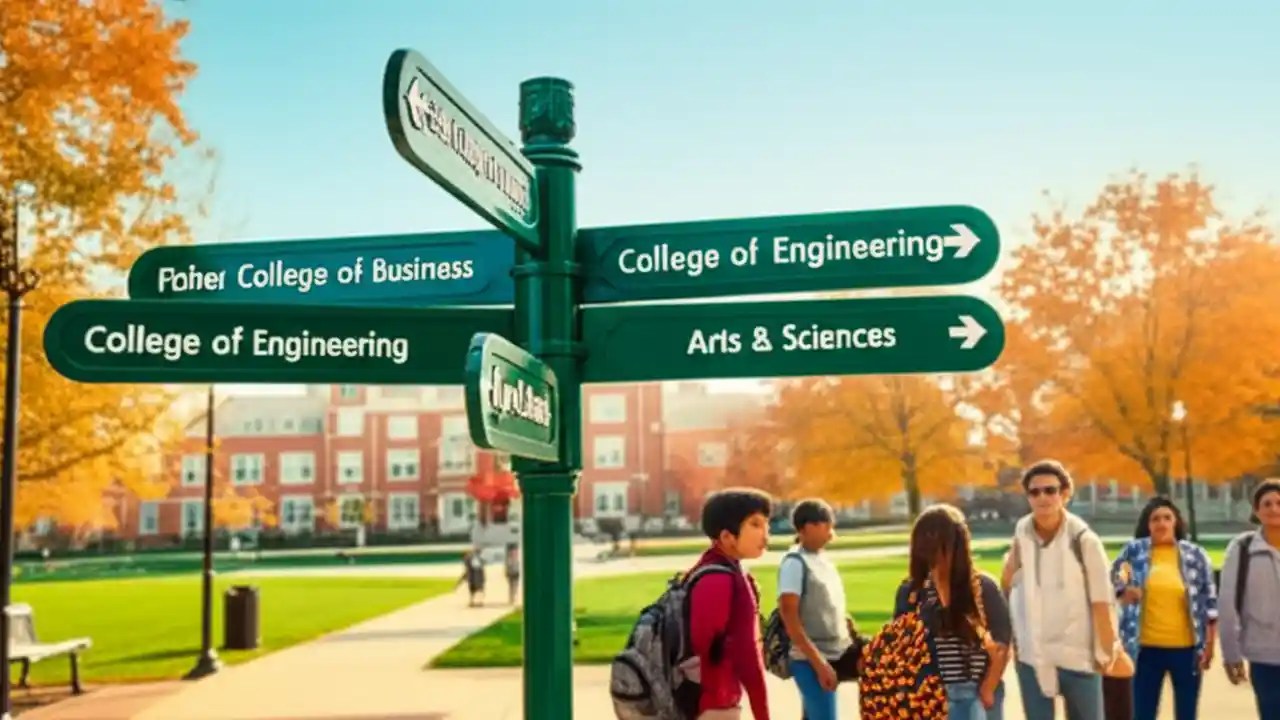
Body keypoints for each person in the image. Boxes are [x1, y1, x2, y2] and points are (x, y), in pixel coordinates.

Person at [1001, 459, 1124, 720]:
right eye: (1034, 492)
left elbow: (1102, 600)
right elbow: (1008, 584)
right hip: (1032, 655)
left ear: (1065, 494)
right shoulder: (1022, 533)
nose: (1042, 497)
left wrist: (1107, 649)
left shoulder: (1085, 541)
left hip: (1078, 655)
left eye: (1050, 490)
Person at [897, 503, 1011, 719]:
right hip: (930, 692)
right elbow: (904, 646)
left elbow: (1002, 640)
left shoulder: (983, 586)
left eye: (938, 544)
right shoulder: (912, 591)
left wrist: (988, 687)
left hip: (975, 689)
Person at [1110, 496, 1217, 720]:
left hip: (1186, 650)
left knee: (1187, 713)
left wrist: (1209, 643)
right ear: (1147, 525)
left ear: (1176, 522)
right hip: (1144, 650)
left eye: (1167, 518)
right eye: (1155, 519)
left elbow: (1209, 603)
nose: (1161, 523)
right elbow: (1119, 579)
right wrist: (1124, 590)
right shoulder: (1133, 552)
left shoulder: (1194, 556)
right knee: (1142, 713)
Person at [688, 487, 773, 720]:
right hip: (713, 705)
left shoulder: (703, 571)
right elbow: (746, 655)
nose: (766, 534)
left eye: (767, 524)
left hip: (699, 702)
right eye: (755, 525)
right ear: (727, 536)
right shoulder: (723, 579)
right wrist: (763, 715)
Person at [776, 499, 854, 720]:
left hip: (835, 651)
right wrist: (818, 663)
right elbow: (789, 616)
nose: (831, 533)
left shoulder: (823, 561)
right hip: (810, 659)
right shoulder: (794, 563)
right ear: (807, 527)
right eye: (826, 526)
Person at [1219, 478, 1280, 719]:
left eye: (1278, 502)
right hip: (1264, 657)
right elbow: (1226, 604)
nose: (1274, 509)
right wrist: (1231, 654)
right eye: (1267, 504)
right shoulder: (1242, 549)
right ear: (1257, 511)